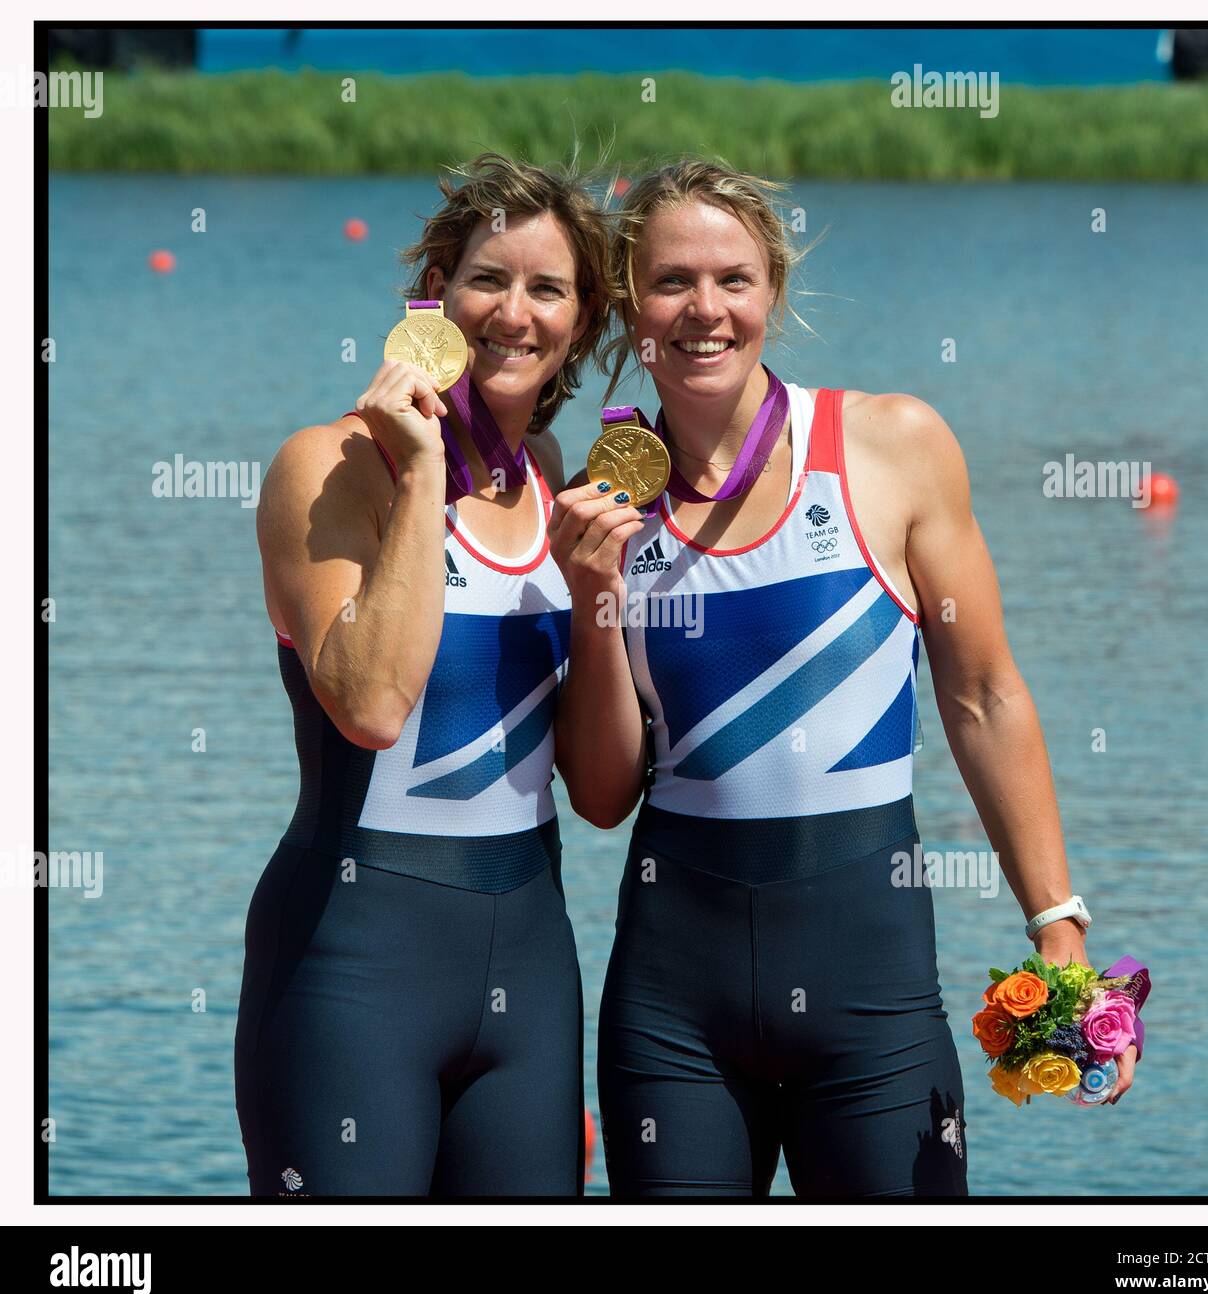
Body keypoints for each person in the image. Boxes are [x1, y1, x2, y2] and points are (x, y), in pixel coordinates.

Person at [548, 158, 1138, 1198]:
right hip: (672, 1013)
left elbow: (983, 695)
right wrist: (590, 597)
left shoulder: (890, 447)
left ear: (772, 287)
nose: (705, 309)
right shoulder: (596, 502)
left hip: (875, 1000)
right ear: (628, 306)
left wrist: (1058, 924)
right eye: (670, 281)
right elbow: (599, 798)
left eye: (733, 278)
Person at [235, 153, 612, 1197]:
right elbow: (369, 702)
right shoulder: (329, 465)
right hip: (351, 965)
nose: (514, 312)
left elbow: (597, 787)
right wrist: (428, 473)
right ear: (434, 295)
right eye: (487, 278)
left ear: (579, 322)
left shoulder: (552, 474)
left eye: (549, 289)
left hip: (531, 968)